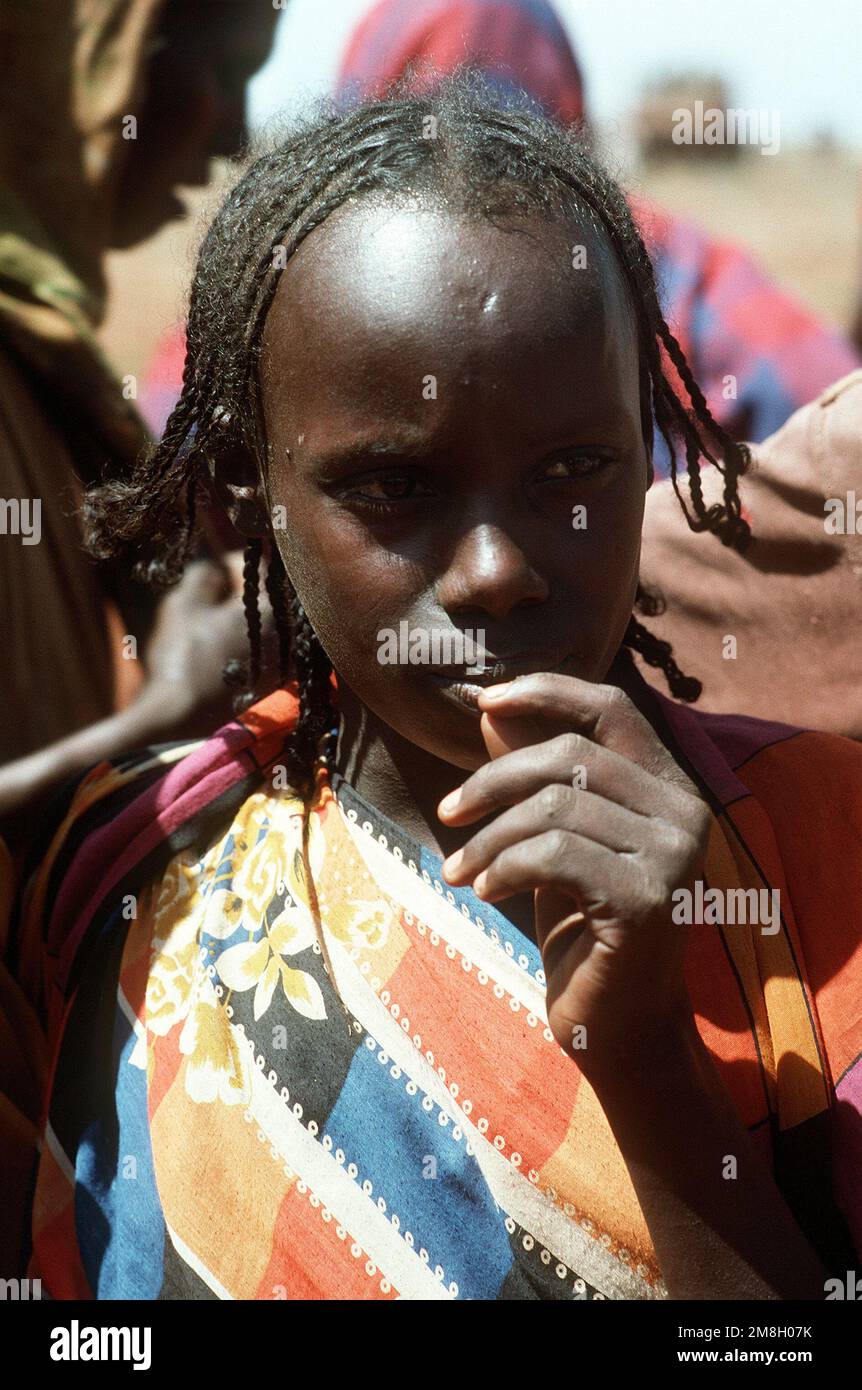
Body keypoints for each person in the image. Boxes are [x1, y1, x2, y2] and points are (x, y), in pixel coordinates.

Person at [5, 82, 861, 1299]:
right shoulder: (120, 875)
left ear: (647, 442)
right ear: (248, 487)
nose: (499, 570)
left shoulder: (823, 858)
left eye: (572, 468)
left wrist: (646, 1055)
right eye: (395, 486)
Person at [0, 0, 280, 836]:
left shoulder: (45, 371)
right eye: (223, 74)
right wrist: (158, 726)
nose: (236, 136)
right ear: (89, 66)